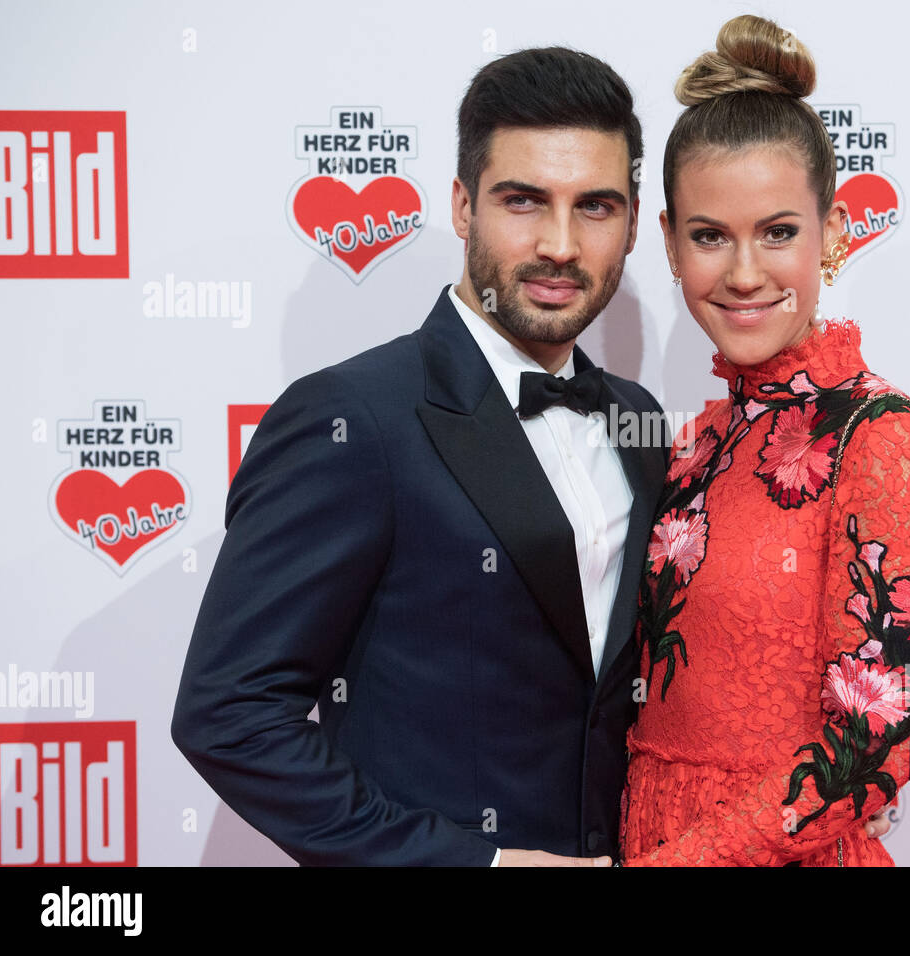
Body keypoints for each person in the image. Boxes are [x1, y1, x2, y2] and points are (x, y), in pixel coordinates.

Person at [171, 46, 669, 866]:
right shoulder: (352, 418)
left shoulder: (639, 420)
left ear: (631, 220)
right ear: (463, 206)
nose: (559, 243)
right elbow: (228, 712)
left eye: (595, 207)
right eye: (523, 201)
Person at [620, 14, 910, 866]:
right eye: (708, 236)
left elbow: (872, 746)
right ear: (667, 242)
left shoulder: (883, 439)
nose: (742, 273)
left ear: (834, 233)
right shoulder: (698, 444)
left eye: (778, 232)